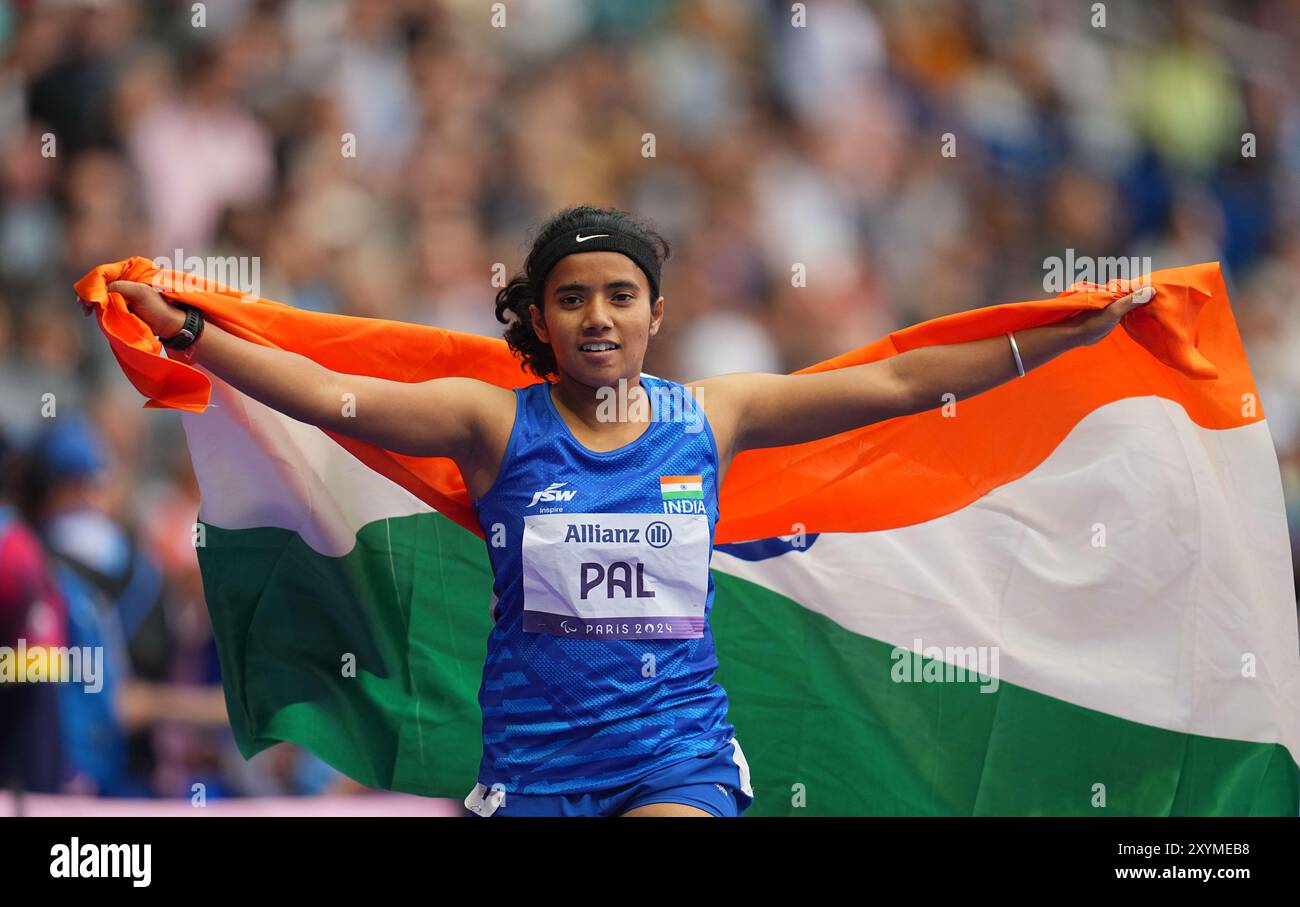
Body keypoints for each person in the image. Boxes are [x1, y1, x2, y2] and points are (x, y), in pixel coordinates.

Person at [84, 205, 1153, 816]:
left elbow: (897, 385)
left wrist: (1060, 331)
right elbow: (330, 395)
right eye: (571, 296)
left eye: (620, 293)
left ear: (653, 312)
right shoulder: (491, 424)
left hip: (674, 753)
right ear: (539, 320)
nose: (597, 314)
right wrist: (188, 335)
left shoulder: (711, 419)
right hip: (534, 766)